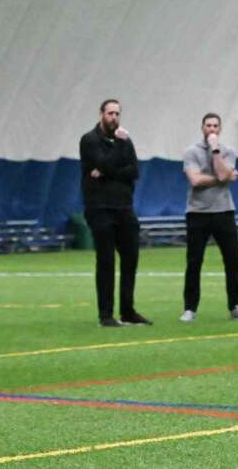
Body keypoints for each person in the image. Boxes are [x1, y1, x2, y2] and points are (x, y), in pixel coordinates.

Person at [79, 99, 151, 327]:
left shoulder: (125, 141)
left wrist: (108, 171)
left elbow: (134, 171)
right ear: (101, 114)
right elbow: (106, 163)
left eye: (117, 113)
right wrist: (115, 159)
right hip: (100, 208)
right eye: (110, 113)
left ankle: (128, 311)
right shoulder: (89, 140)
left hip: (124, 207)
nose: (114, 118)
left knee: (130, 259)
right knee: (106, 261)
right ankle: (106, 314)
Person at [180, 113, 238, 322]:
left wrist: (215, 150)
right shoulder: (191, 152)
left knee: (232, 261)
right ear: (202, 128)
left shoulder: (227, 151)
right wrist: (224, 178)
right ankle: (190, 308)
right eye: (208, 125)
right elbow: (195, 180)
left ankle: (236, 306)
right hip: (197, 213)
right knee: (194, 262)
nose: (211, 129)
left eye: (215, 126)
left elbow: (222, 174)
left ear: (219, 130)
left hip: (224, 211)